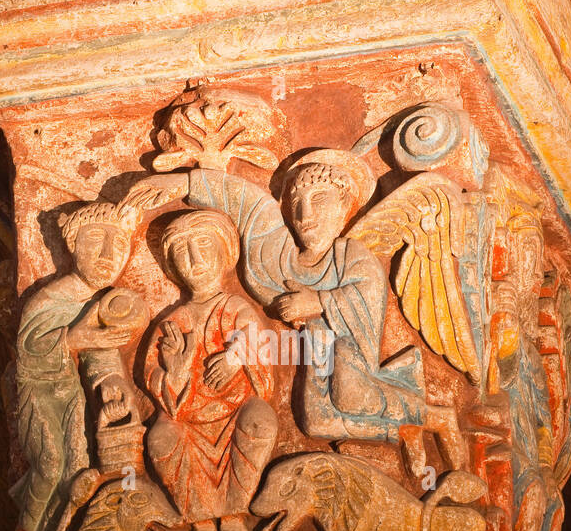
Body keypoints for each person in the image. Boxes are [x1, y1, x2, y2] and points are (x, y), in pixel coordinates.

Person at [129, 151, 432, 445]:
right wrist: (186, 184)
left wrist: (317, 302)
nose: (305, 215)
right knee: (316, 423)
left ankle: (432, 417)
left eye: (318, 200)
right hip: (316, 351)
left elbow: (367, 291)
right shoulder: (283, 261)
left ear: (344, 204)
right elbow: (250, 206)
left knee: (350, 396)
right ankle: (402, 432)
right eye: (296, 204)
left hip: (347, 351)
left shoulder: (349, 254)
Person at [142, 209, 277, 531]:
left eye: (202, 246)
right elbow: (156, 383)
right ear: (171, 266)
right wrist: (177, 371)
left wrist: (236, 359)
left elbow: (261, 352)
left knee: (262, 421)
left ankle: (234, 518)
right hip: (190, 422)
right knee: (160, 439)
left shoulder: (234, 306)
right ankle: (200, 525)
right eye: (182, 252)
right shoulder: (172, 322)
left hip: (234, 416)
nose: (194, 260)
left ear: (222, 252)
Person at [13, 199, 142, 531]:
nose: (106, 252)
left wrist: (112, 385)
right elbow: (26, 353)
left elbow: (101, 357)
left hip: (70, 395)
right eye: (95, 239)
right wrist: (71, 338)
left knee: (77, 465)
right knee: (51, 462)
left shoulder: (99, 303)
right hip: (39, 395)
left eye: (118, 244)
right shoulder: (50, 298)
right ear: (72, 245)